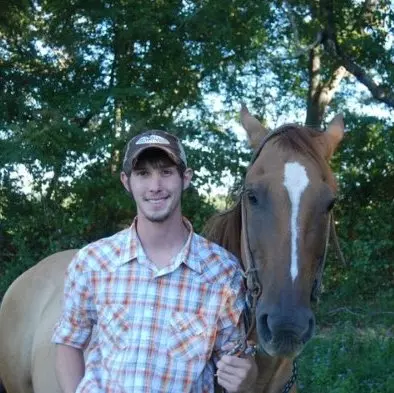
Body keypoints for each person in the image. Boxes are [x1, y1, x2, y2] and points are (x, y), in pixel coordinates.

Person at [52, 130, 258, 393]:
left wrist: (247, 378)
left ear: (186, 178)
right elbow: (69, 342)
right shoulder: (93, 262)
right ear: (126, 181)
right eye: (143, 174)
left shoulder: (222, 272)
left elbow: (236, 362)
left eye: (166, 172)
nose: (155, 186)